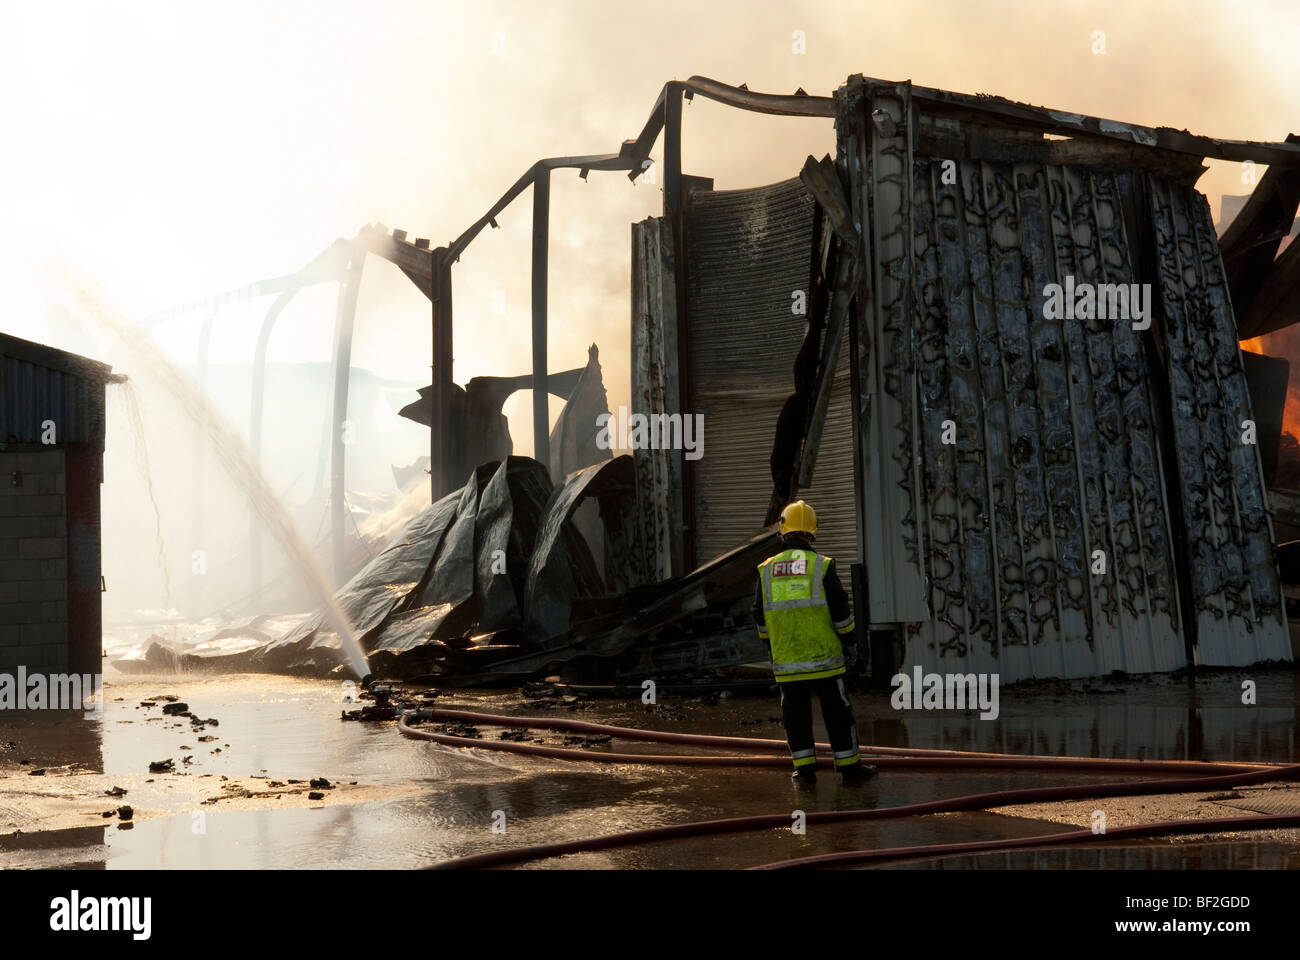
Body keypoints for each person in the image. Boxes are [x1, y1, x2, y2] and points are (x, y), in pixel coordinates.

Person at [753, 500, 876, 786]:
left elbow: (759, 615)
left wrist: (771, 646)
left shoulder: (766, 570)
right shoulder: (821, 566)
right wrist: (850, 642)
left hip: (787, 663)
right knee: (837, 714)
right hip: (825, 662)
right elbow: (840, 611)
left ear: (783, 532)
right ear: (812, 532)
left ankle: (804, 772)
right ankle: (849, 769)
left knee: (795, 716)